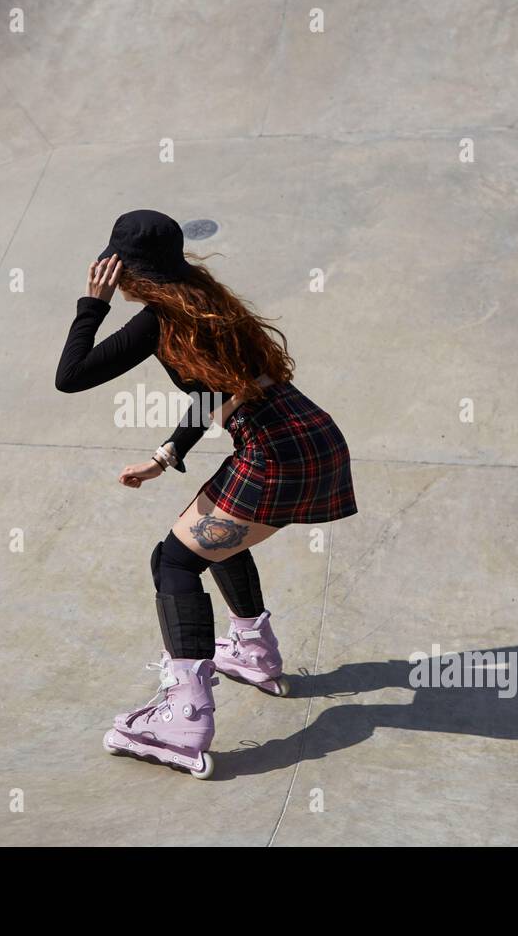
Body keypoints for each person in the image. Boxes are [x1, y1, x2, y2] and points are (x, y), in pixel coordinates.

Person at [55, 209, 357, 778]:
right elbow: (215, 389)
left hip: (274, 453)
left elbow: (70, 376)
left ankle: (186, 716)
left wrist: (91, 304)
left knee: (172, 562)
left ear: (121, 267)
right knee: (211, 538)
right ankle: (252, 650)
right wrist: (166, 455)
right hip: (309, 433)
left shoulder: (159, 319)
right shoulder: (202, 298)